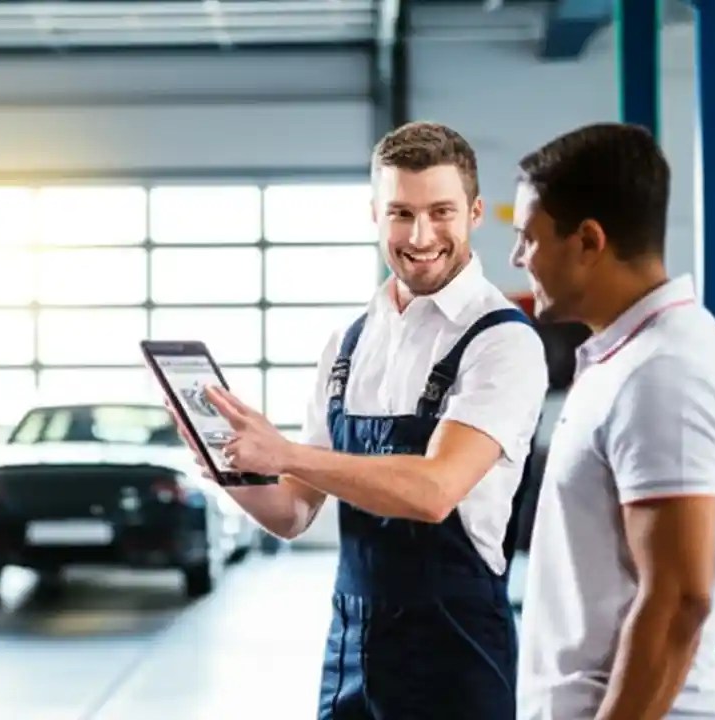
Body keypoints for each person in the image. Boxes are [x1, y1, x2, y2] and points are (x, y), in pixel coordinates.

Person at [170, 120, 549, 719]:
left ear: (475, 212)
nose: (421, 235)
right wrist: (234, 465)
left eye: (441, 212)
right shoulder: (349, 344)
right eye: (401, 213)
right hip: (352, 650)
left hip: (454, 654)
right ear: (374, 214)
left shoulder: (501, 340)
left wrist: (286, 453)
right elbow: (293, 512)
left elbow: (434, 491)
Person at [510, 122, 715, 720]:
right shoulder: (624, 357)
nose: (519, 258)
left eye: (529, 238)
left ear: (588, 240)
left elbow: (677, 602)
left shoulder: (663, 373)